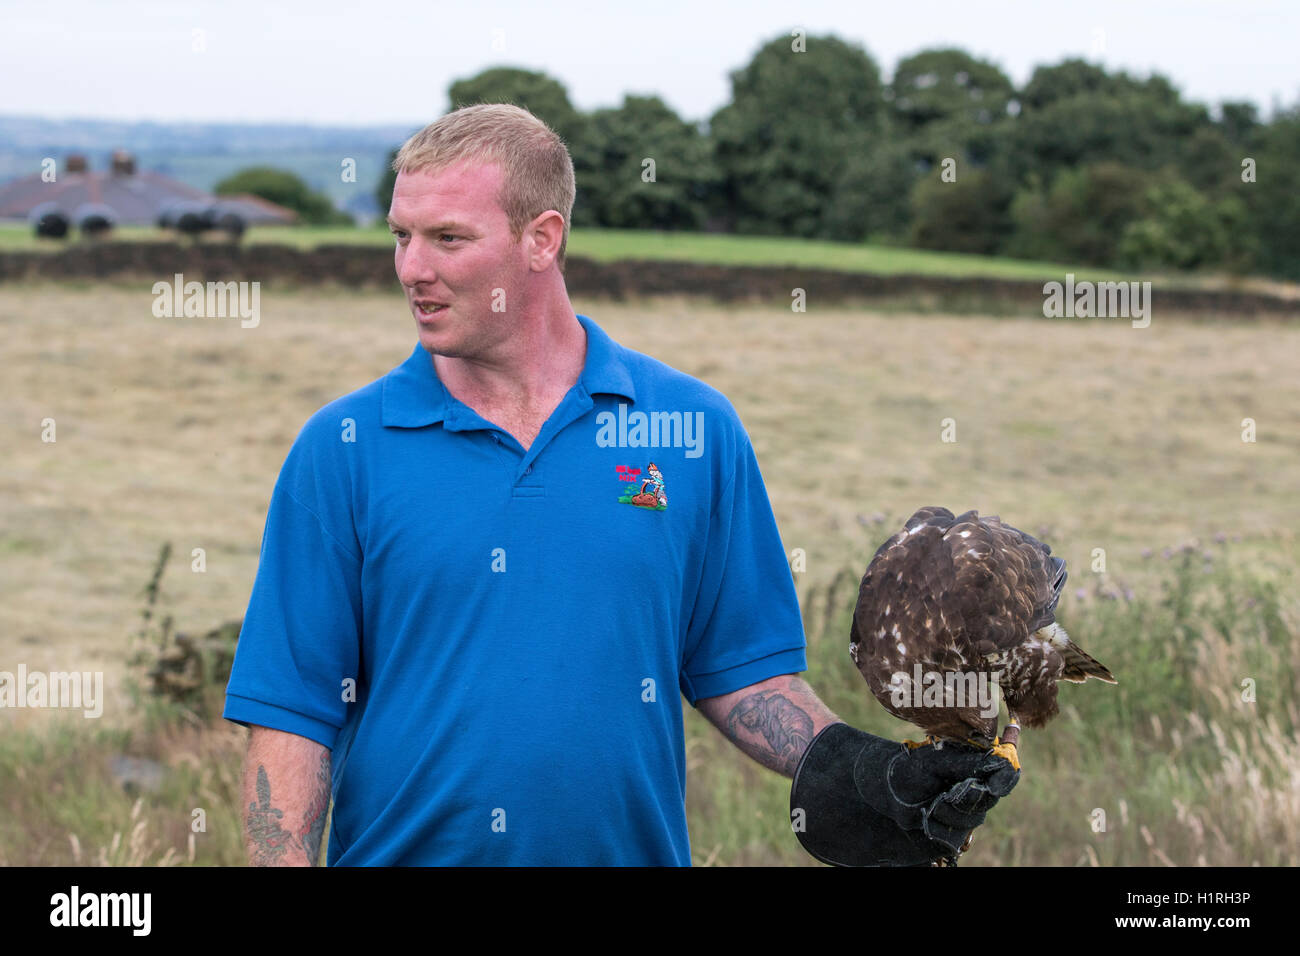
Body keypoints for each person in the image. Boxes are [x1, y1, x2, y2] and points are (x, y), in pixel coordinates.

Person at [223, 103, 1016, 867]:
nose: (411, 269)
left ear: (542, 239)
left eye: (447, 238)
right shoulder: (346, 447)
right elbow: (291, 714)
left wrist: (865, 772)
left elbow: (740, 670)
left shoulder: (690, 429)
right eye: (400, 236)